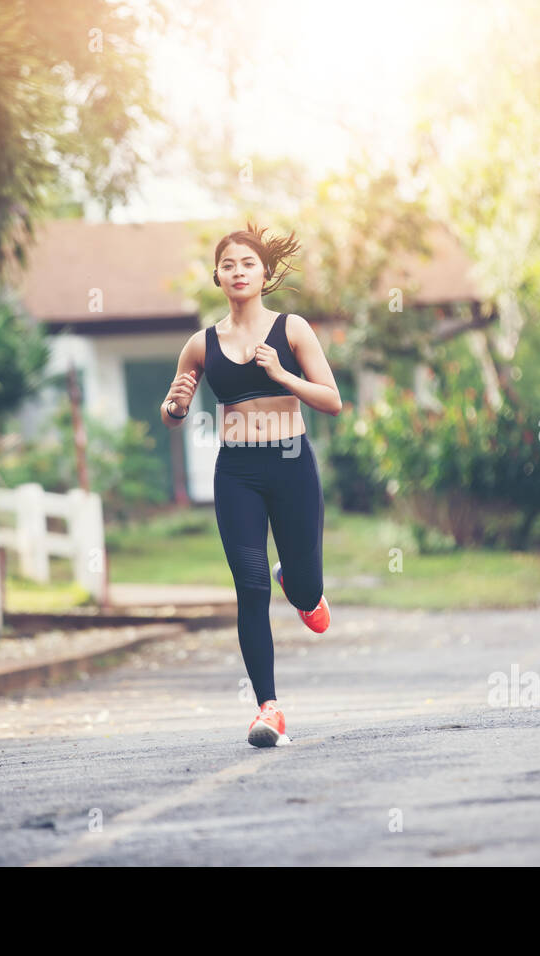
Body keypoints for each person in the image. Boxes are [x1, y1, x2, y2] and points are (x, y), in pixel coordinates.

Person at [161, 221, 343, 747]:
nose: (238, 272)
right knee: (250, 587)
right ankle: (268, 709)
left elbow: (331, 399)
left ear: (264, 273)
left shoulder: (292, 330)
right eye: (228, 265)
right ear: (217, 277)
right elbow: (175, 412)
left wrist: (283, 376)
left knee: (305, 586)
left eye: (247, 263)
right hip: (237, 470)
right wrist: (173, 406)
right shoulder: (200, 344)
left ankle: (301, 587)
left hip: (291, 463)